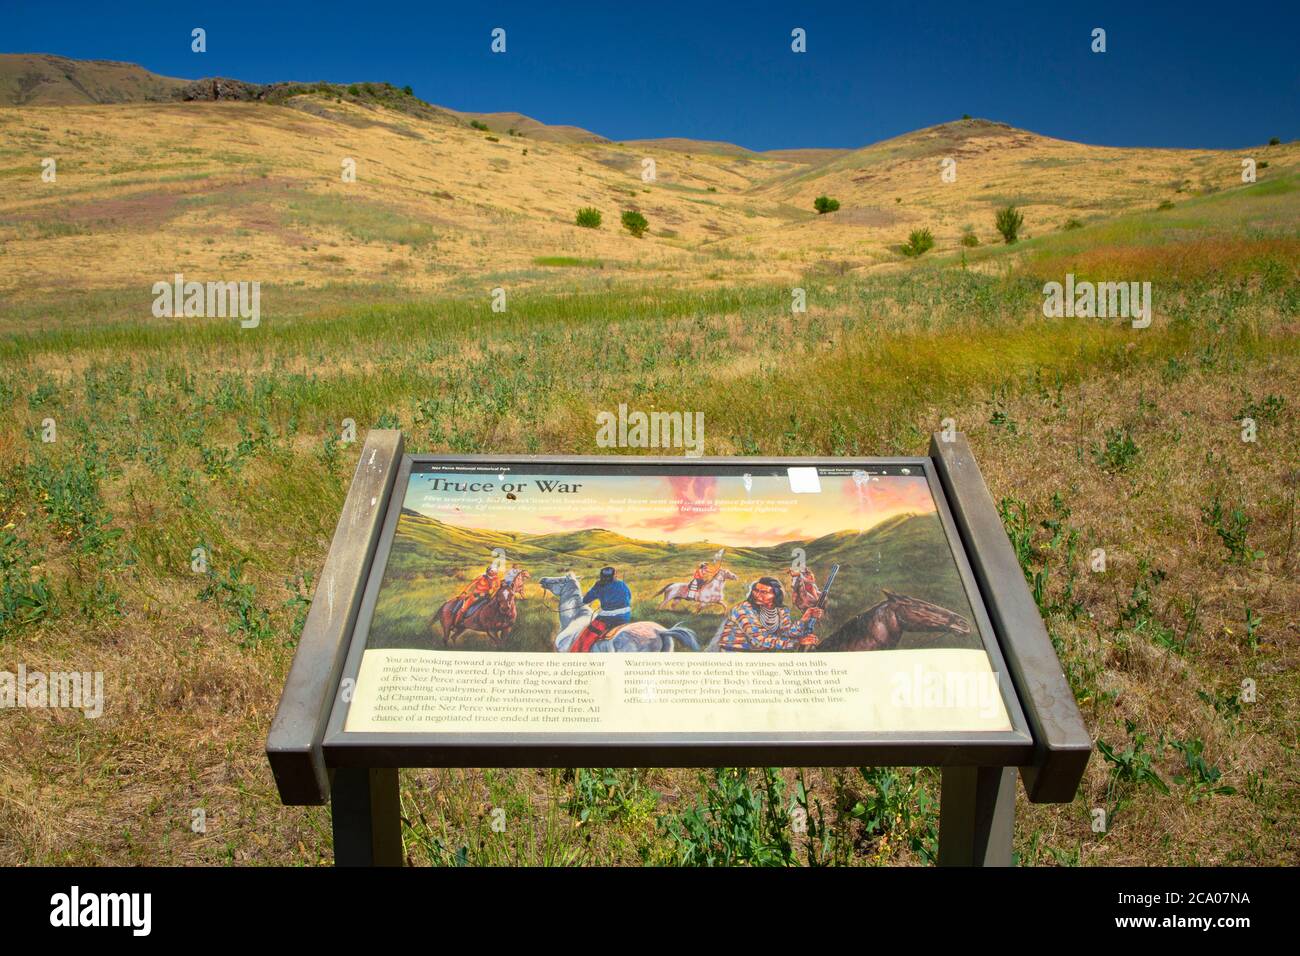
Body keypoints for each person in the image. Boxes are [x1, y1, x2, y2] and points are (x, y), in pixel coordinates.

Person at [716, 577, 822, 652]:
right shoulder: (743, 609)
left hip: (761, 653)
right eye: (756, 590)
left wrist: (805, 618)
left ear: (775, 595)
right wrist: (797, 643)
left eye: (764, 592)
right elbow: (760, 639)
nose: (757, 595)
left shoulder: (781, 610)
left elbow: (786, 632)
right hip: (736, 653)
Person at [571, 566, 632, 653]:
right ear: (614, 575)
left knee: (585, 637)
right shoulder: (622, 584)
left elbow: (585, 600)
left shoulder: (599, 585)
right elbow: (629, 597)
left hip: (607, 618)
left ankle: (578, 654)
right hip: (625, 616)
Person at [452, 565, 501, 630]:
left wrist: (493, 592)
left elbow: (498, 588)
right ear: (488, 571)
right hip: (475, 596)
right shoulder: (481, 577)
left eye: (494, 571)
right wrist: (464, 592)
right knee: (463, 608)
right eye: (491, 571)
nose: (493, 573)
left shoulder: (496, 579)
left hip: (486, 597)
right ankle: (456, 624)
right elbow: (470, 585)